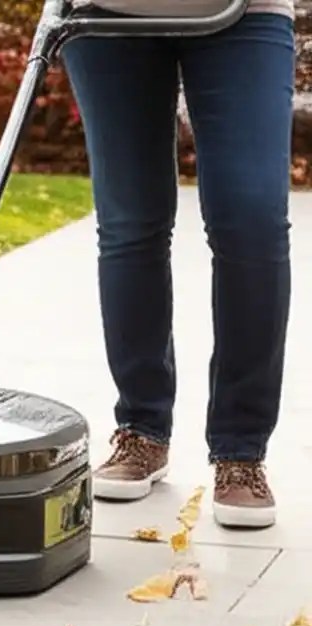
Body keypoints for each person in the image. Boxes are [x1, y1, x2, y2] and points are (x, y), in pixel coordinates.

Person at [62, 0, 294, 527]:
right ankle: (141, 430)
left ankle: (242, 451)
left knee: (252, 223)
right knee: (129, 224)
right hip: (107, 14)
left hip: (244, 10)